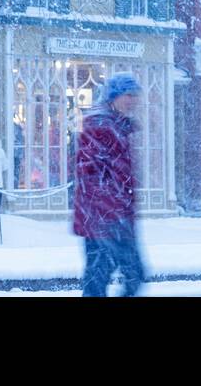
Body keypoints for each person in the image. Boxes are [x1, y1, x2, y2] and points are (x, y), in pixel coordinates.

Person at [72, 72, 145, 297]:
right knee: (101, 280)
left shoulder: (117, 126)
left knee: (112, 277)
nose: (132, 100)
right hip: (103, 220)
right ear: (114, 97)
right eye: (127, 95)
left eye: (135, 95)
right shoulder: (101, 126)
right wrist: (108, 214)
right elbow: (89, 174)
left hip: (114, 219)